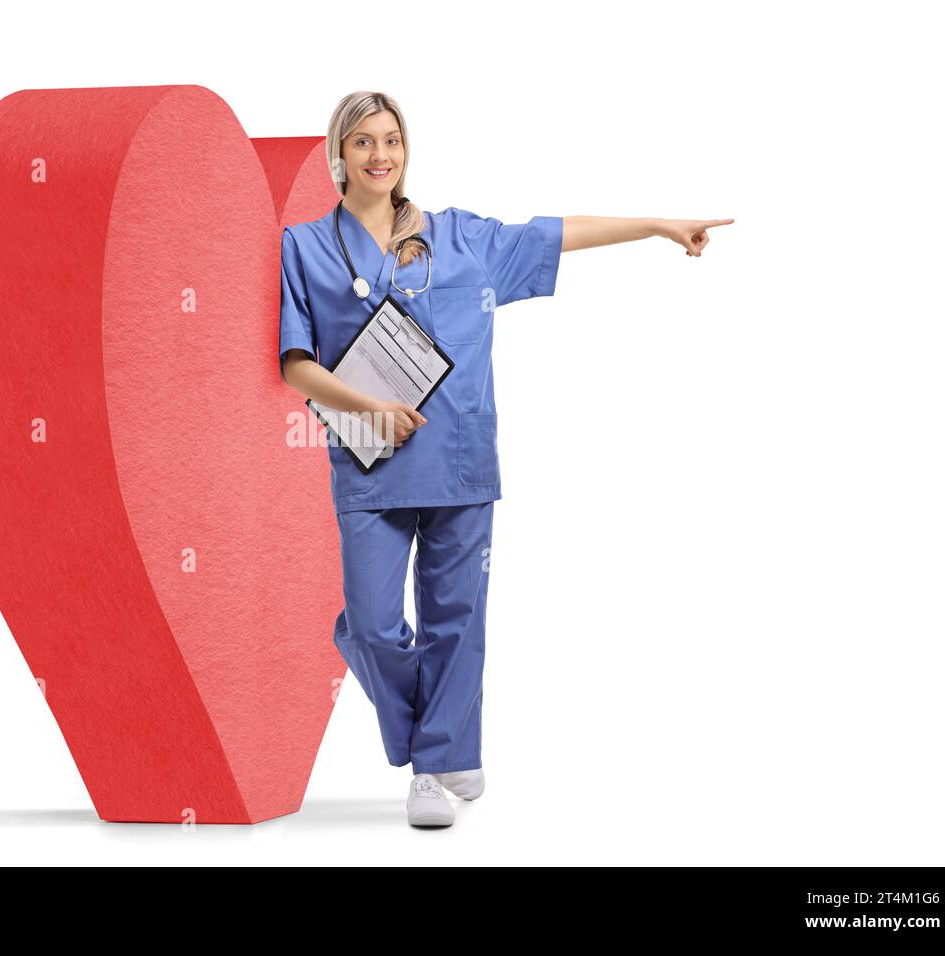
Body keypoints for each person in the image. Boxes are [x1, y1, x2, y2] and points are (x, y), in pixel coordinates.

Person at [279, 91, 733, 828]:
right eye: (362, 142)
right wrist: (368, 409)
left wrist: (655, 226)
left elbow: (554, 233)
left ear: (406, 150)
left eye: (391, 140)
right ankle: (442, 736)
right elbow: (295, 363)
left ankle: (434, 769)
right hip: (369, 461)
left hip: (458, 459)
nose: (379, 155)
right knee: (369, 627)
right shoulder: (304, 247)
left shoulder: (463, 238)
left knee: (456, 619)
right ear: (339, 154)